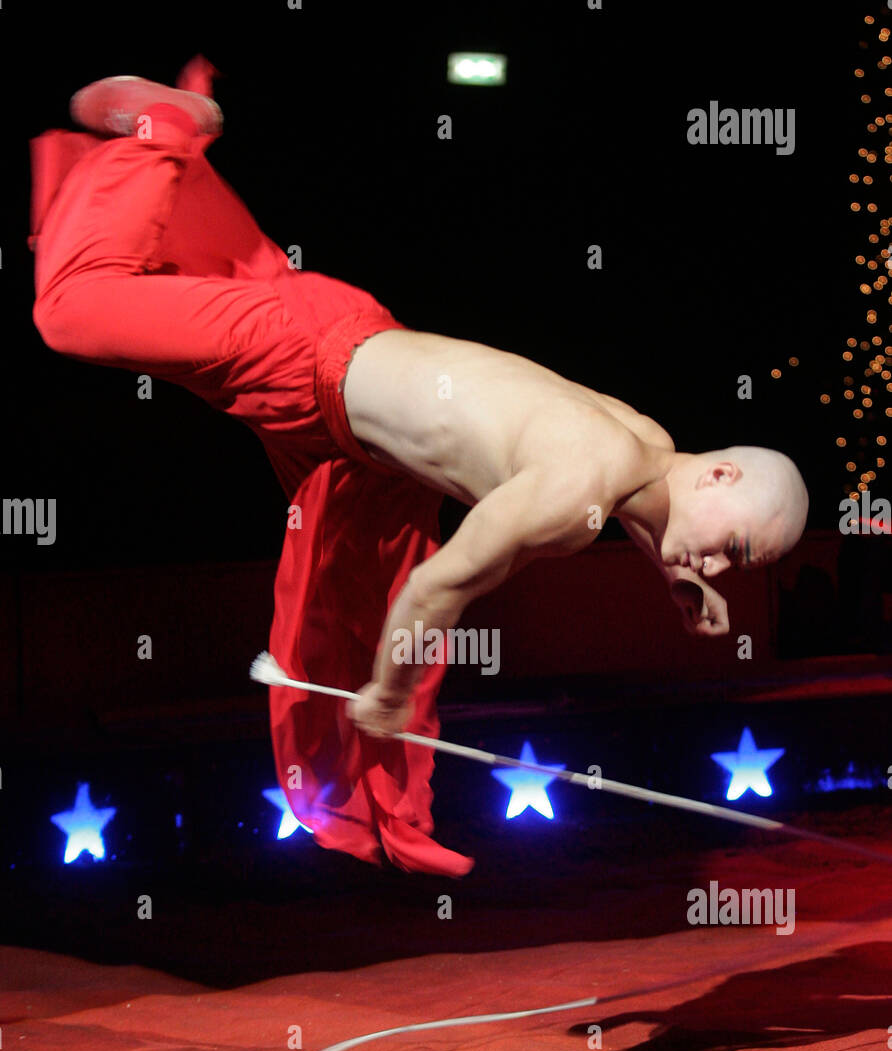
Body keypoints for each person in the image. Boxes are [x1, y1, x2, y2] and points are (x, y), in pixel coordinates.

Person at [28, 61, 809, 877]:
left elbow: (636, 504)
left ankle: (384, 814)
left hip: (359, 419)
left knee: (349, 596)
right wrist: (391, 695)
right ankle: (166, 132)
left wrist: (676, 577)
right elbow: (436, 592)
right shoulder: (580, 481)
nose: (718, 565)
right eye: (733, 548)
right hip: (306, 359)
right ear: (719, 476)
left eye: (730, 567)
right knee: (74, 311)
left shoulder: (646, 443)